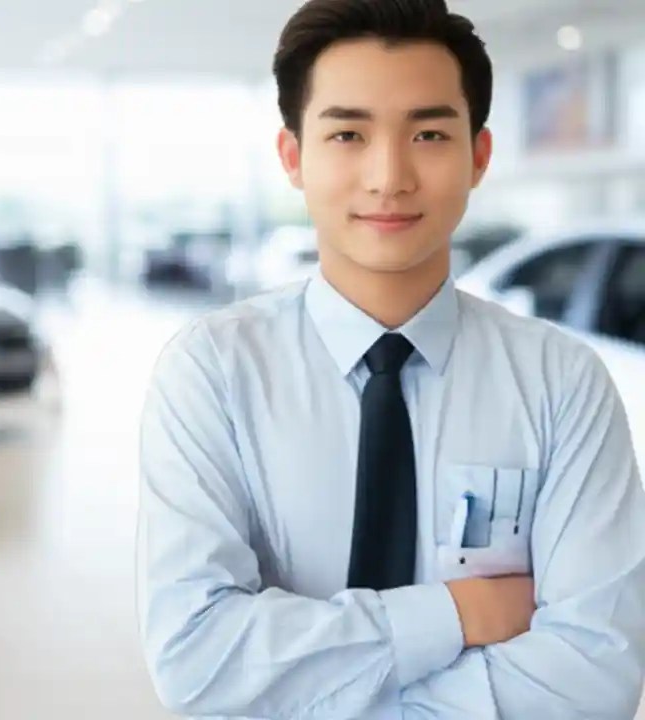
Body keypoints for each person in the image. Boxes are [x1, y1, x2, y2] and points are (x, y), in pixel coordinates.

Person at [135, 0, 645, 718]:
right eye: (348, 133)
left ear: (479, 157)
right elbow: (197, 658)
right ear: (293, 157)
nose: (389, 176)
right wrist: (456, 614)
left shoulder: (561, 382)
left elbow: (593, 677)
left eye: (429, 134)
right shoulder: (213, 373)